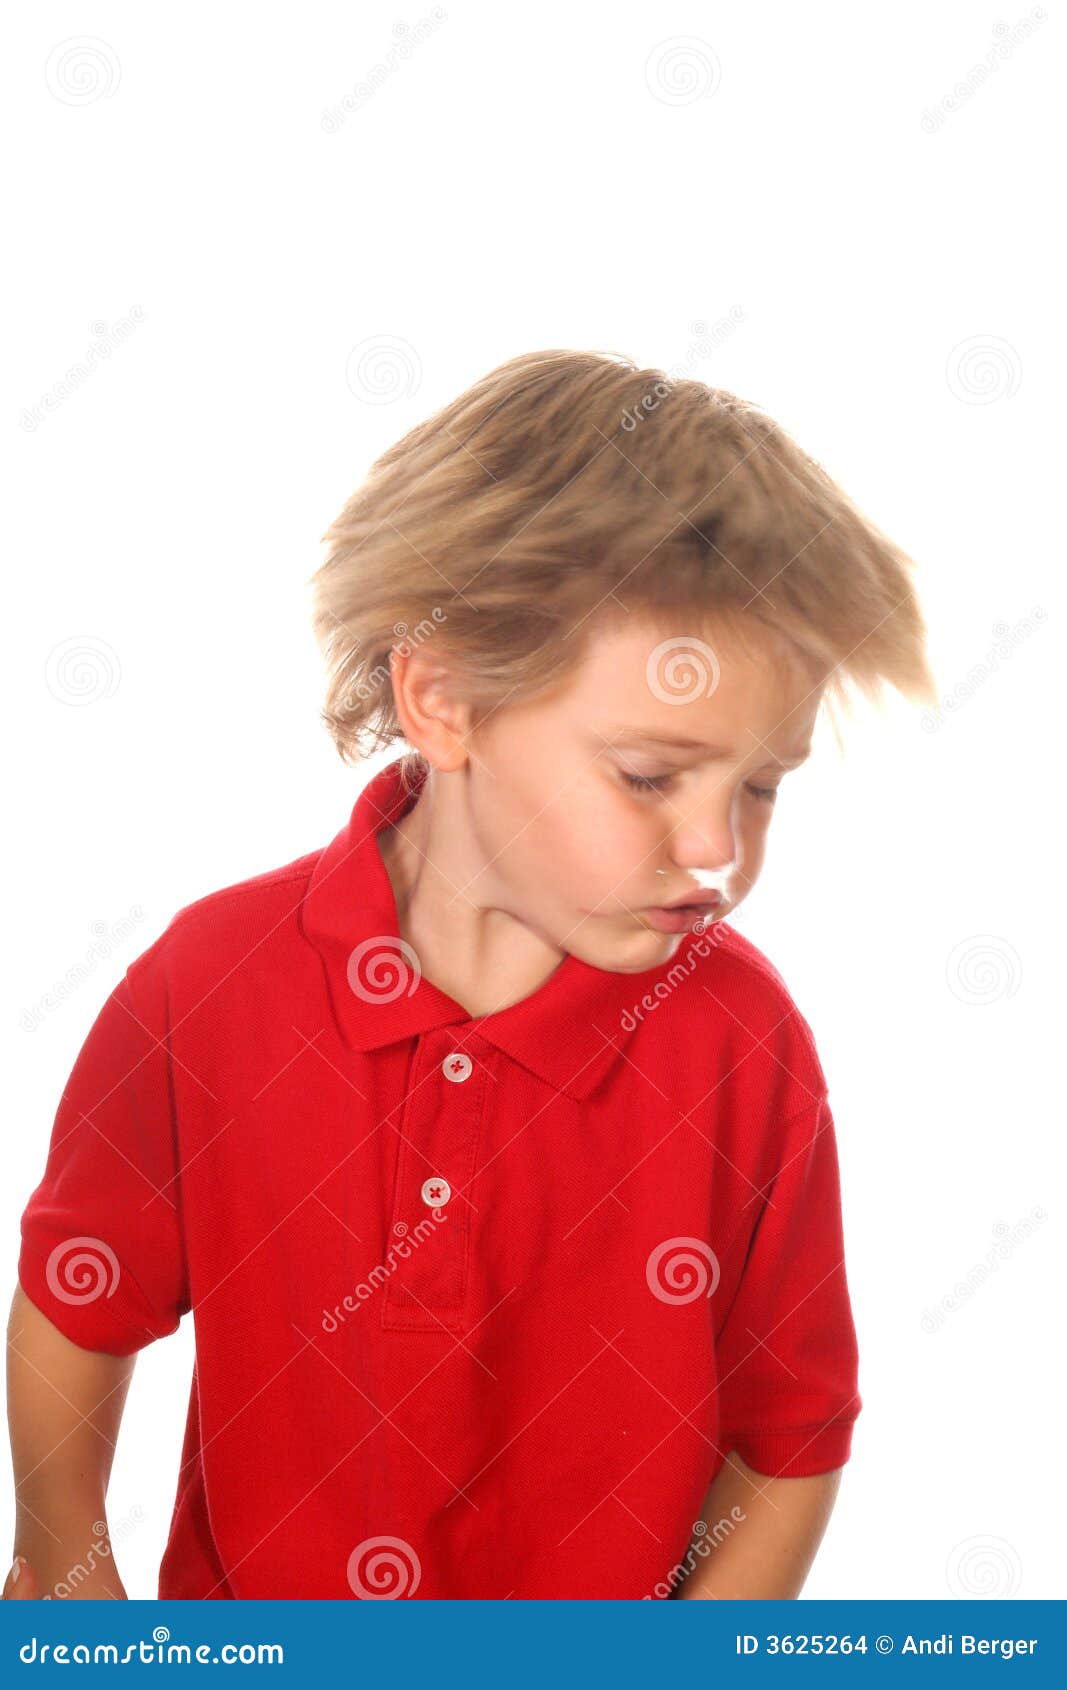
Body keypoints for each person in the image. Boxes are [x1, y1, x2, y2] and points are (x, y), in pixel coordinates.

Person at [5, 349, 936, 1600]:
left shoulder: (741, 1042)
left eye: (760, 785)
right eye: (650, 777)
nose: (716, 848)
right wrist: (63, 1568)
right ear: (442, 699)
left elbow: (789, 1435)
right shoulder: (209, 983)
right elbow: (80, 1300)